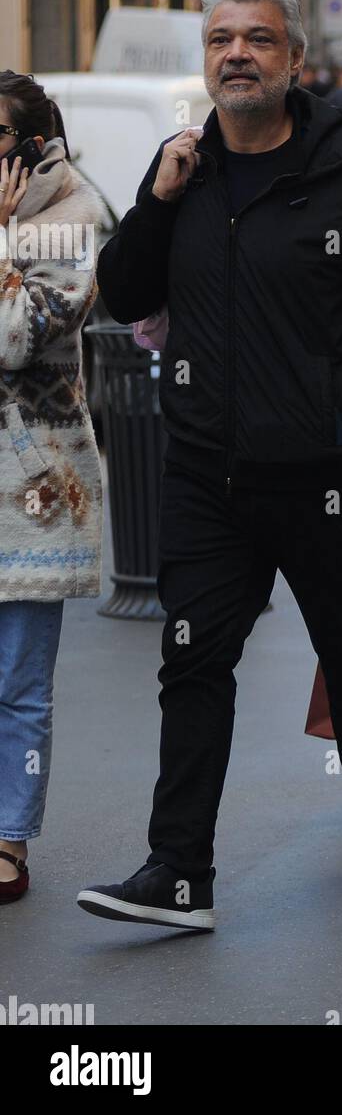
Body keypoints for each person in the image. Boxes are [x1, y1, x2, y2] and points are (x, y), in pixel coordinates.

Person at [78, 0, 342, 931]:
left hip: (319, 471)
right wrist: (156, 201)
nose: (237, 54)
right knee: (192, 661)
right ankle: (178, 870)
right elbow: (120, 295)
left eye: (259, 39)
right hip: (202, 471)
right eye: (222, 40)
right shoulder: (180, 173)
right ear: (207, 59)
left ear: (295, 60)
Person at [0, 72, 103, 904]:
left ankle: (9, 841)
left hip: (33, 489)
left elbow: (16, 337)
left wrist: (0, 235)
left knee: (18, 682)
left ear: (33, 144)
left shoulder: (73, 218)